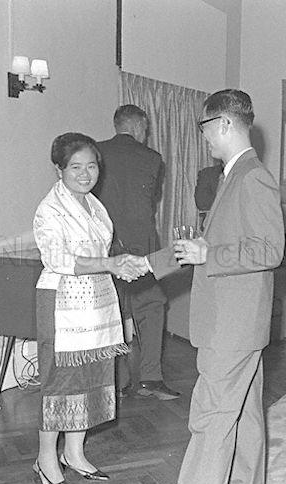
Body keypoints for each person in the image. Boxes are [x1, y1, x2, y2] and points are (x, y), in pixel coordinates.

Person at [146, 89, 284, 484]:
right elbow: (216, 243)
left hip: (232, 326)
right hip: (237, 324)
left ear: (224, 123)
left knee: (211, 421)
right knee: (244, 422)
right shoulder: (233, 174)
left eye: (204, 127)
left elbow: (270, 250)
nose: (203, 135)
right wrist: (150, 264)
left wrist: (209, 255)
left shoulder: (252, 177)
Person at [32, 132, 148, 484]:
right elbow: (58, 259)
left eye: (92, 166)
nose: (85, 174)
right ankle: (45, 458)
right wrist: (110, 263)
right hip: (61, 303)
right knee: (60, 381)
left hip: (97, 303)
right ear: (59, 169)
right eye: (76, 167)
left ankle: (74, 453)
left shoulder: (96, 206)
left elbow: (104, 254)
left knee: (91, 378)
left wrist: (121, 265)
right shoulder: (49, 209)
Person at [94, 105, 180, 401]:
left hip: (104, 248)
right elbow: (151, 200)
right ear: (139, 127)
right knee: (152, 306)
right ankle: (150, 380)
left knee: (111, 311)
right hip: (142, 246)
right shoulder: (152, 158)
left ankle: (115, 383)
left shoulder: (96, 153)